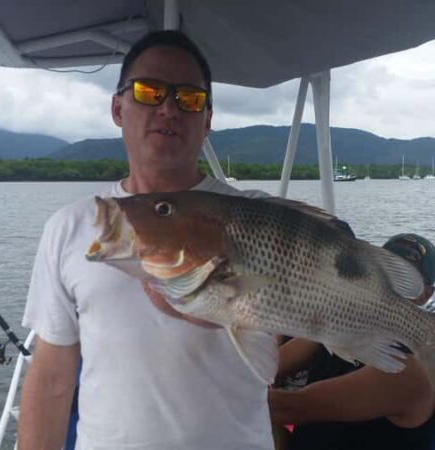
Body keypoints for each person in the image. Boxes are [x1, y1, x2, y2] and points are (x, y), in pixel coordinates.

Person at [18, 30, 274, 450]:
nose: (169, 108)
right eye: (149, 91)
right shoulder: (70, 227)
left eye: (189, 99)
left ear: (207, 120)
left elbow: (286, 328)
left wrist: (230, 309)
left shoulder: (255, 219)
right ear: (118, 108)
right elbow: (51, 378)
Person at [269, 233, 435, 450]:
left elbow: (291, 409)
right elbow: (270, 364)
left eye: (405, 279)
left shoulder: (411, 368)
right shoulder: (343, 321)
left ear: (426, 294)